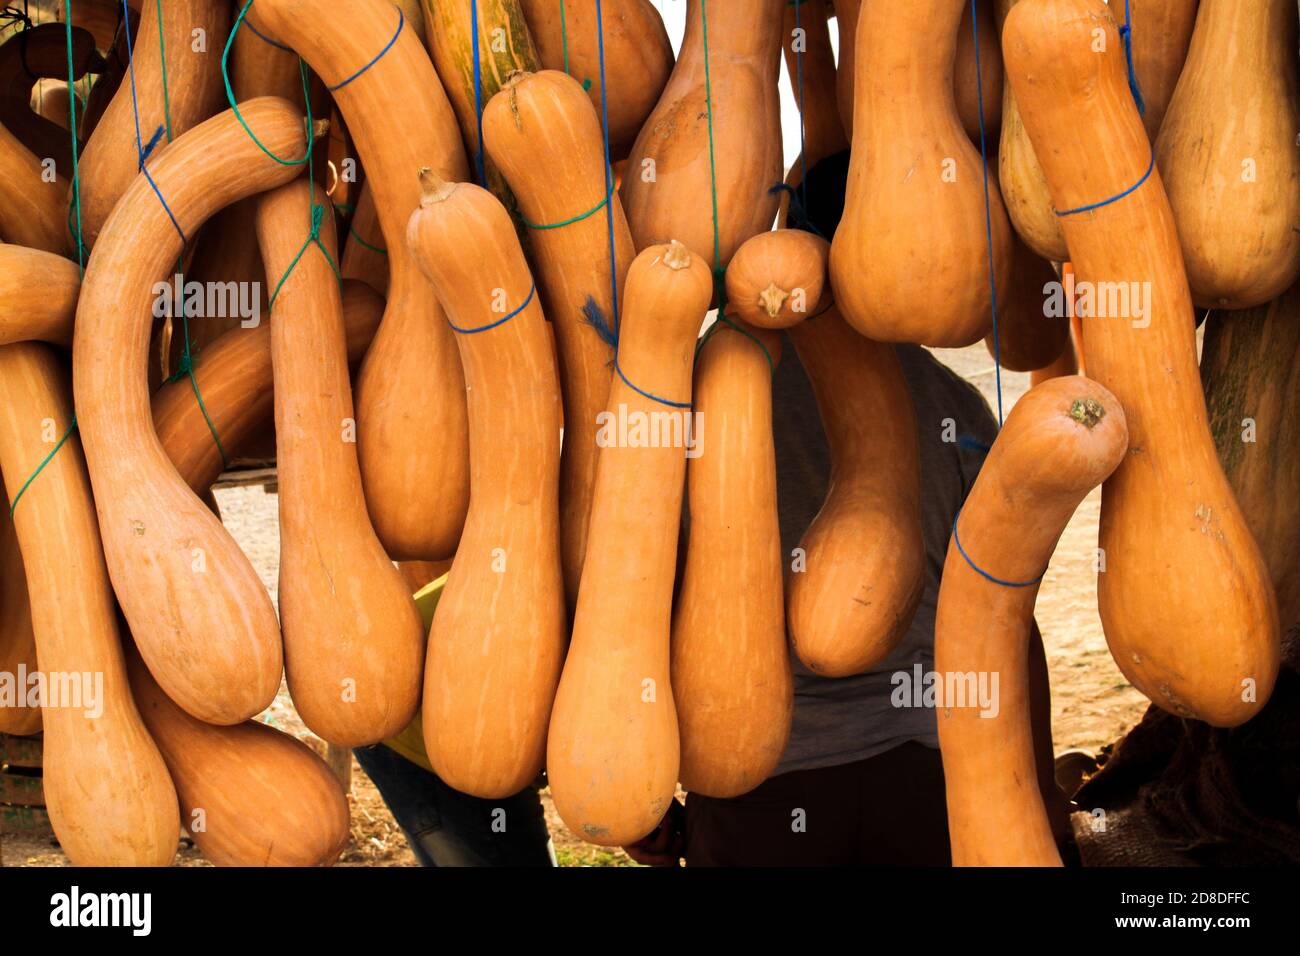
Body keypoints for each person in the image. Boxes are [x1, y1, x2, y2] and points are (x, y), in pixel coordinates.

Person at [623, 151, 1068, 866]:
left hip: (754, 776)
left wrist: (630, 786)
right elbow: (1009, 619)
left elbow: (633, 590)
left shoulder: (695, 390)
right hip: (935, 774)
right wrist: (1038, 788)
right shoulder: (952, 404)